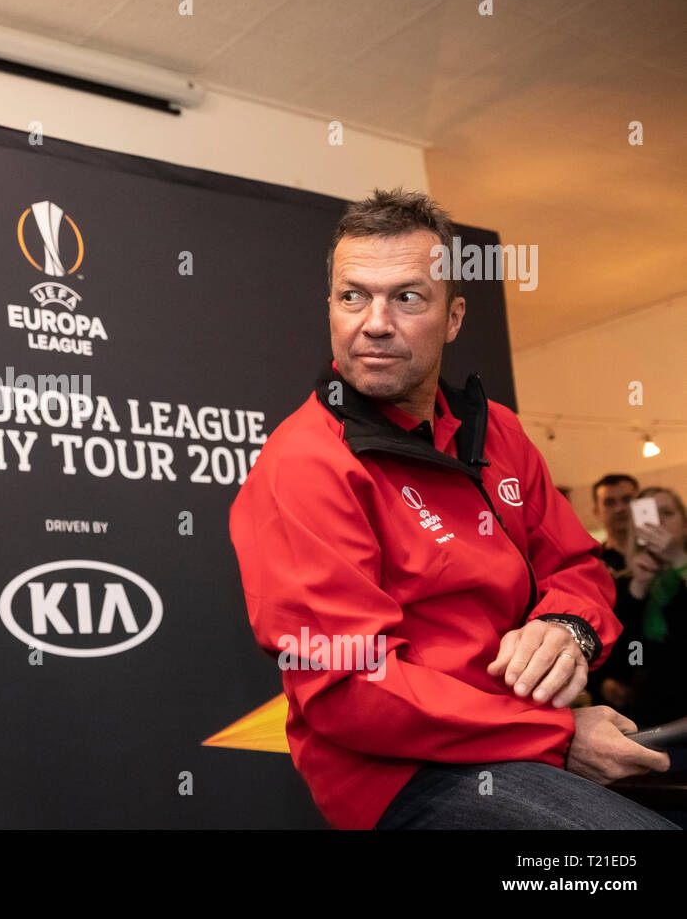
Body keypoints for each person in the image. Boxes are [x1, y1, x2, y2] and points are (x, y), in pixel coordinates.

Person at [228, 188, 675, 829]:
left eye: (407, 297)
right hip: (403, 774)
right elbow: (348, 690)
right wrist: (554, 731)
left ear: (455, 316)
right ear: (330, 307)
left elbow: (578, 568)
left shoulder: (497, 431)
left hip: (523, 740)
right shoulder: (303, 464)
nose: (374, 322)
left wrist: (567, 630)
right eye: (353, 295)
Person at [618, 486, 687, 730]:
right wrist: (637, 587)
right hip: (650, 714)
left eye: (667, 513)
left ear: (685, 524)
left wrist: (679, 560)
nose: (658, 522)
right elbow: (629, 655)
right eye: (649, 515)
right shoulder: (627, 582)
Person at [585, 473, 640, 711]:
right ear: (597, 510)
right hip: (612, 691)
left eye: (627, 499)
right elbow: (582, 623)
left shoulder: (670, 558)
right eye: (609, 502)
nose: (619, 508)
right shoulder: (588, 566)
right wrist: (597, 682)